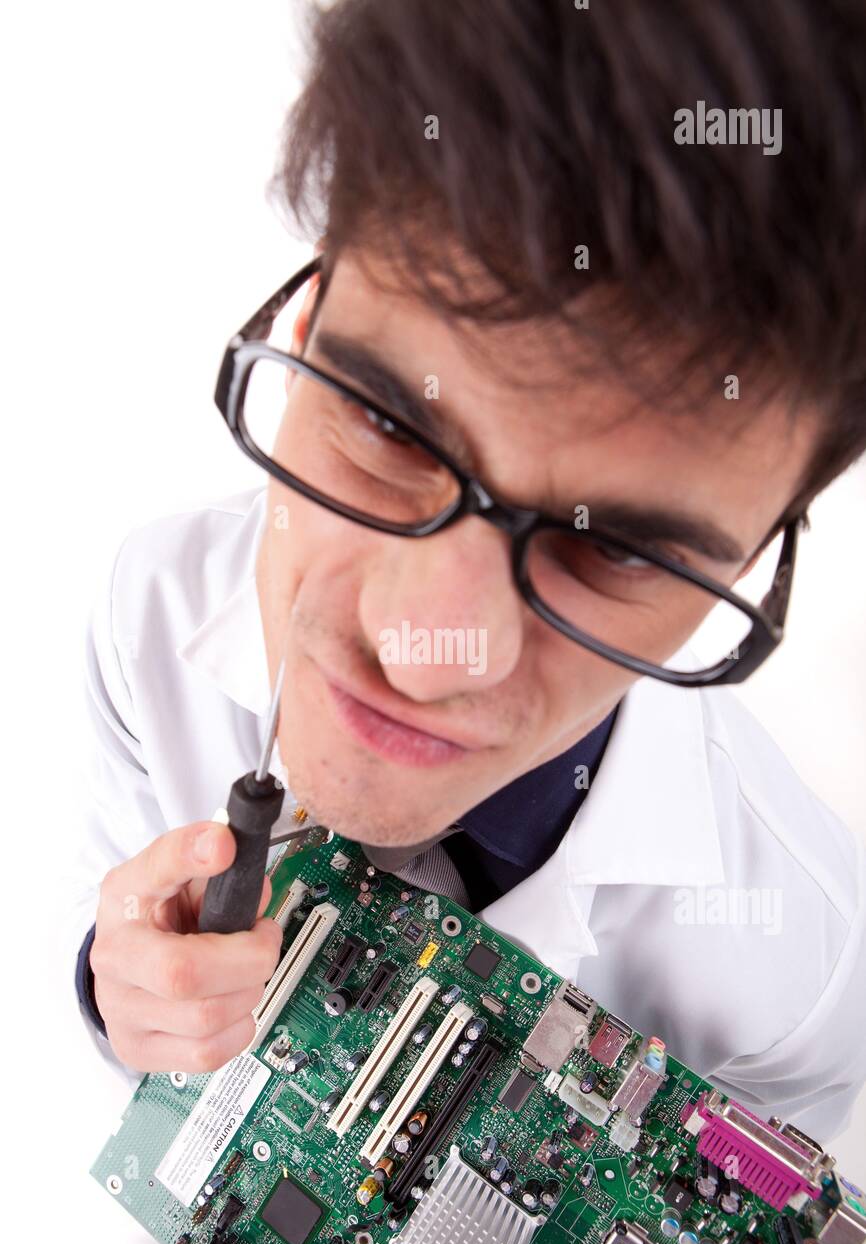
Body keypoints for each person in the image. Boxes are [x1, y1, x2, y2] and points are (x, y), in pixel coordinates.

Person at [74, 0, 866, 1142]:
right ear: (301, 329)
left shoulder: (805, 963)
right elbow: (116, 889)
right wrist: (113, 988)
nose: (424, 648)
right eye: (389, 426)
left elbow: (787, 1186)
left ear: (745, 564)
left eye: (616, 548)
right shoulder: (142, 615)